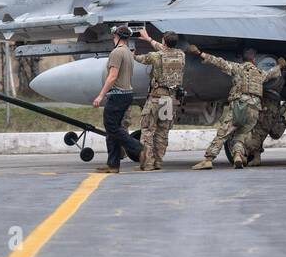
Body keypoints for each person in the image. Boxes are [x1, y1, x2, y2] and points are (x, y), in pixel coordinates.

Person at [190, 47, 264, 170]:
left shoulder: (238, 68)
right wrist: (280, 66)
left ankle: (208, 159)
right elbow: (272, 73)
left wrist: (200, 53)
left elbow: (219, 62)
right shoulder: (260, 73)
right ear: (254, 60)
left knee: (223, 133)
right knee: (241, 135)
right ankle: (238, 156)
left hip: (240, 107)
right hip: (254, 110)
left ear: (242, 59)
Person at [92, 26, 145, 173]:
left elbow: (113, 76)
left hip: (117, 95)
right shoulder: (128, 52)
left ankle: (140, 149)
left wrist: (101, 95)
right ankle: (113, 165)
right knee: (112, 130)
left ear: (116, 35)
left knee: (112, 128)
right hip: (127, 94)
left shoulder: (116, 52)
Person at [133, 28, 185, 171]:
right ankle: (158, 162)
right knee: (162, 132)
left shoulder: (156, 56)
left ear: (164, 41)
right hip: (169, 100)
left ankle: (147, 163)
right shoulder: (181, 55)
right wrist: (149, 39)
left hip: (155, 98)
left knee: (147, 131)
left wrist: (132, 54)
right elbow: (165, 50)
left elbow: (140, 59)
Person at [241, 57, 286, 166]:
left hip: (264, 103)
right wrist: (279, 67)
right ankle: (245, 155)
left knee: (258, 130)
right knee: (258, 130)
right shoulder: (251, 76)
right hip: (265, 103)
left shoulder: (241, 73)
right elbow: (266, 75)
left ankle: (246, 155)